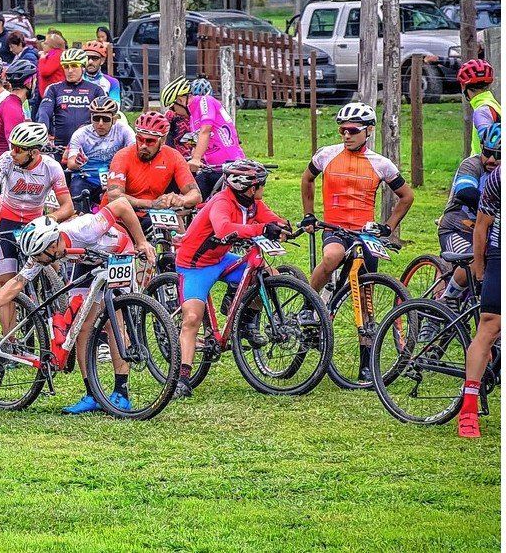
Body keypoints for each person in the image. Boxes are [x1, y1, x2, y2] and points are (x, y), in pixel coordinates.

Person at [0, 201, 155, 413]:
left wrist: (141, 241)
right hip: (87, 260)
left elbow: (122, 205)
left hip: (118, 252)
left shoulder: (85, 228)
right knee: (82, 326)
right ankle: (92, 394)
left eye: (40, 255)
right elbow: (17, 283)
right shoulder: (44, 250)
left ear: (52, 245)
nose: (38, 261)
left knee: (114, 320)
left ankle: (121, 392)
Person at [300, 102, 414, 382]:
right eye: (342, 130)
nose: (346, 135)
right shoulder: (327, 154)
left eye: (353, 130)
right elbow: (307, 179)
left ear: (368, 131)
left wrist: (388, 226)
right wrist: (309, 215)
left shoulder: (381, 163)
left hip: (364, 234)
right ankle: (307, 304)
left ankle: (366, 362)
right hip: (335, 228)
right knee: (331, 257)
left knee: (365, 300)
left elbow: (407, 197)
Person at [172, 160, 289, 399]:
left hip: (222, 259)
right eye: (261, 185)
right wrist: (262, 230)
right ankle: (182, 377)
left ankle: (244, 321)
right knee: (192, 318)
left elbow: (273, 220)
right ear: (248, 187)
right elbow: (224, 229)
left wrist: (285, 227)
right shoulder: (222, 202)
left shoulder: (253, 203)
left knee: (267, 274)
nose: (263, 189)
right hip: (195, 266)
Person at [0, 122, 74, 351]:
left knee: (51, 271)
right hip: (5, 222)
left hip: (34, 225)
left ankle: (57, 327)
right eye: (12, 146)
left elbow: (67, 207)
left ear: (34, 152)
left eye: (18, 149)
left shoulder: (52, 168)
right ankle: (10, 342)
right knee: (6, 280)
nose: (12, 152)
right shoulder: (7, 160)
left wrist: (49, 220)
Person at [437, 124, 500, 307]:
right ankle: (446, 301)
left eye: (498, 155)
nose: (490, 159)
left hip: (487, 231)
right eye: (487, 152)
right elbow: (465, 192)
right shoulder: (472, 165)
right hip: (456, 227)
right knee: (475, 259)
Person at [461, 165, 500, 438]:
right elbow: (482, 226)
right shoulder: (499, 177)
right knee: (490, 325)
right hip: (500, 254)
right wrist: (479, 266)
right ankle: (468, 409)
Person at [105, 111, 201, 219]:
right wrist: (151, 204)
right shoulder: (122, 156)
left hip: (152, 215)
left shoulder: (174, 156)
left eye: (150, 141)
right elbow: (114, 196)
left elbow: (196, 194)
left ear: (163, 140)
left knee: (177, 227)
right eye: (140, 139)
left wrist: (181, 200)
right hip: (120, 215)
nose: (143, 145)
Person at [64, 96, 135, 208]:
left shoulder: (124, 130)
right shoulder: (80, 134)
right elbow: (70, 163)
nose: (100, 123)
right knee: (77, 206)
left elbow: (135, 155)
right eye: (96, 118)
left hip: (113, 177)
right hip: (86, 177)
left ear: (114, 119)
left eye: (106, 119)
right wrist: (77, 162)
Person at [185, 77, 245, 195]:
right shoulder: (193, 116)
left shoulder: (206, 101)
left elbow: (205, 130)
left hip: (227, 165)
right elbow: (195, 141)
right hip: (211, 167)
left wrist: (196, 158)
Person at [37, 48, 105, 149]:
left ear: (83, 67)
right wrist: (42, 132)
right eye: (66, 66)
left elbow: (104, 116)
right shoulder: (54, 89)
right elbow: (44, 111)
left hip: (88, 145)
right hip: (60, 146)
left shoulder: (96, 90)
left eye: (74, 66)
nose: (70, 71)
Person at [459, 58, 499, 136]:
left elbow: (489, 144)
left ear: (463, 86)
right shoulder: (493, 104)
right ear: (489, 84)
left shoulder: (482, 111)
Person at [160, 77, 195, 161]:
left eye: (173, 106)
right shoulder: (171, 116)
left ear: (180, 101)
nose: (172, 110)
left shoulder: (202, 115)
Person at [81, 41, 121, 105]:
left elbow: (115, 106)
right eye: (87, 58)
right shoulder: (76, 80)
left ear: (102, 60)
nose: (90, 61)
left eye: (95, 58)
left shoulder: (112, 82)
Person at [36, 30, 66, 98]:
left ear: (52, 46)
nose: (43, 44)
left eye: (46, 43)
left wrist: (42, 59)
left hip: (54, 94)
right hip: (52, 93)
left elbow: (45, 71)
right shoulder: (52, 54)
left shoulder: (56, 55)